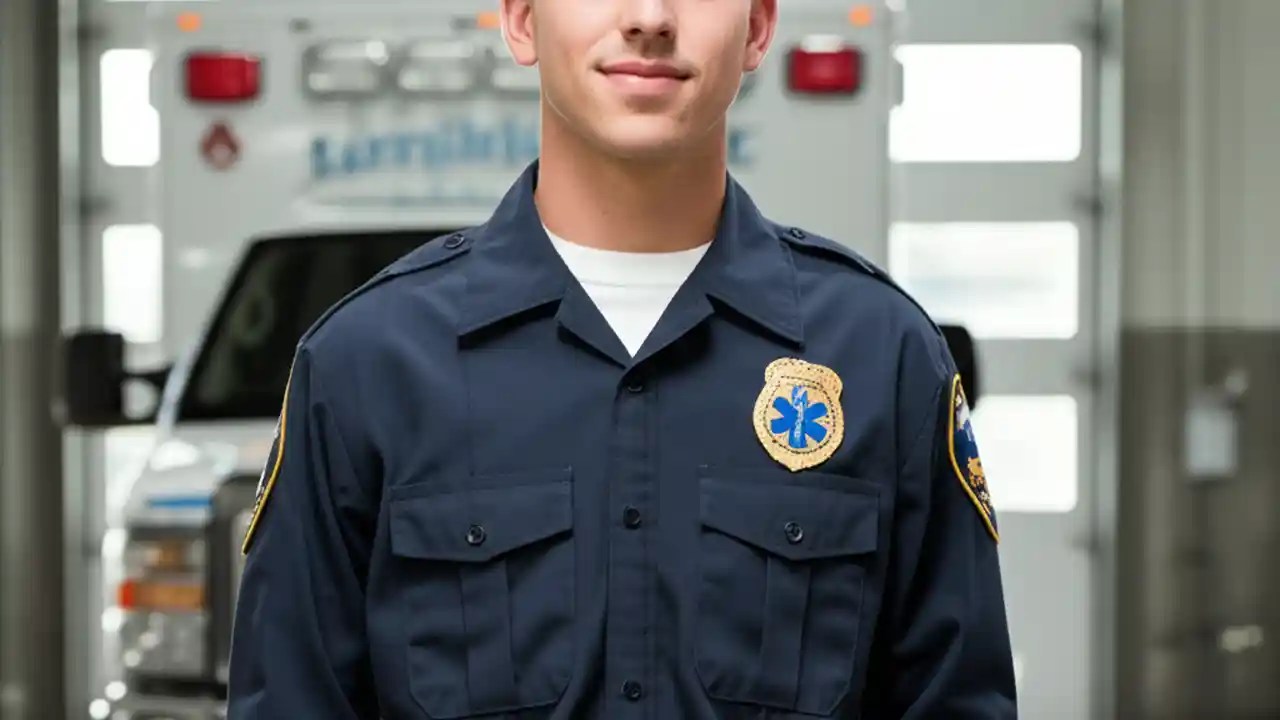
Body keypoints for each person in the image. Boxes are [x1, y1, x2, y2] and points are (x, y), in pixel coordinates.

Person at [227, 0, 1018, 717]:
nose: (649, 16)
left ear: (757, 27)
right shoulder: (366, 366)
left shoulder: (882, 357)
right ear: (521, 21)